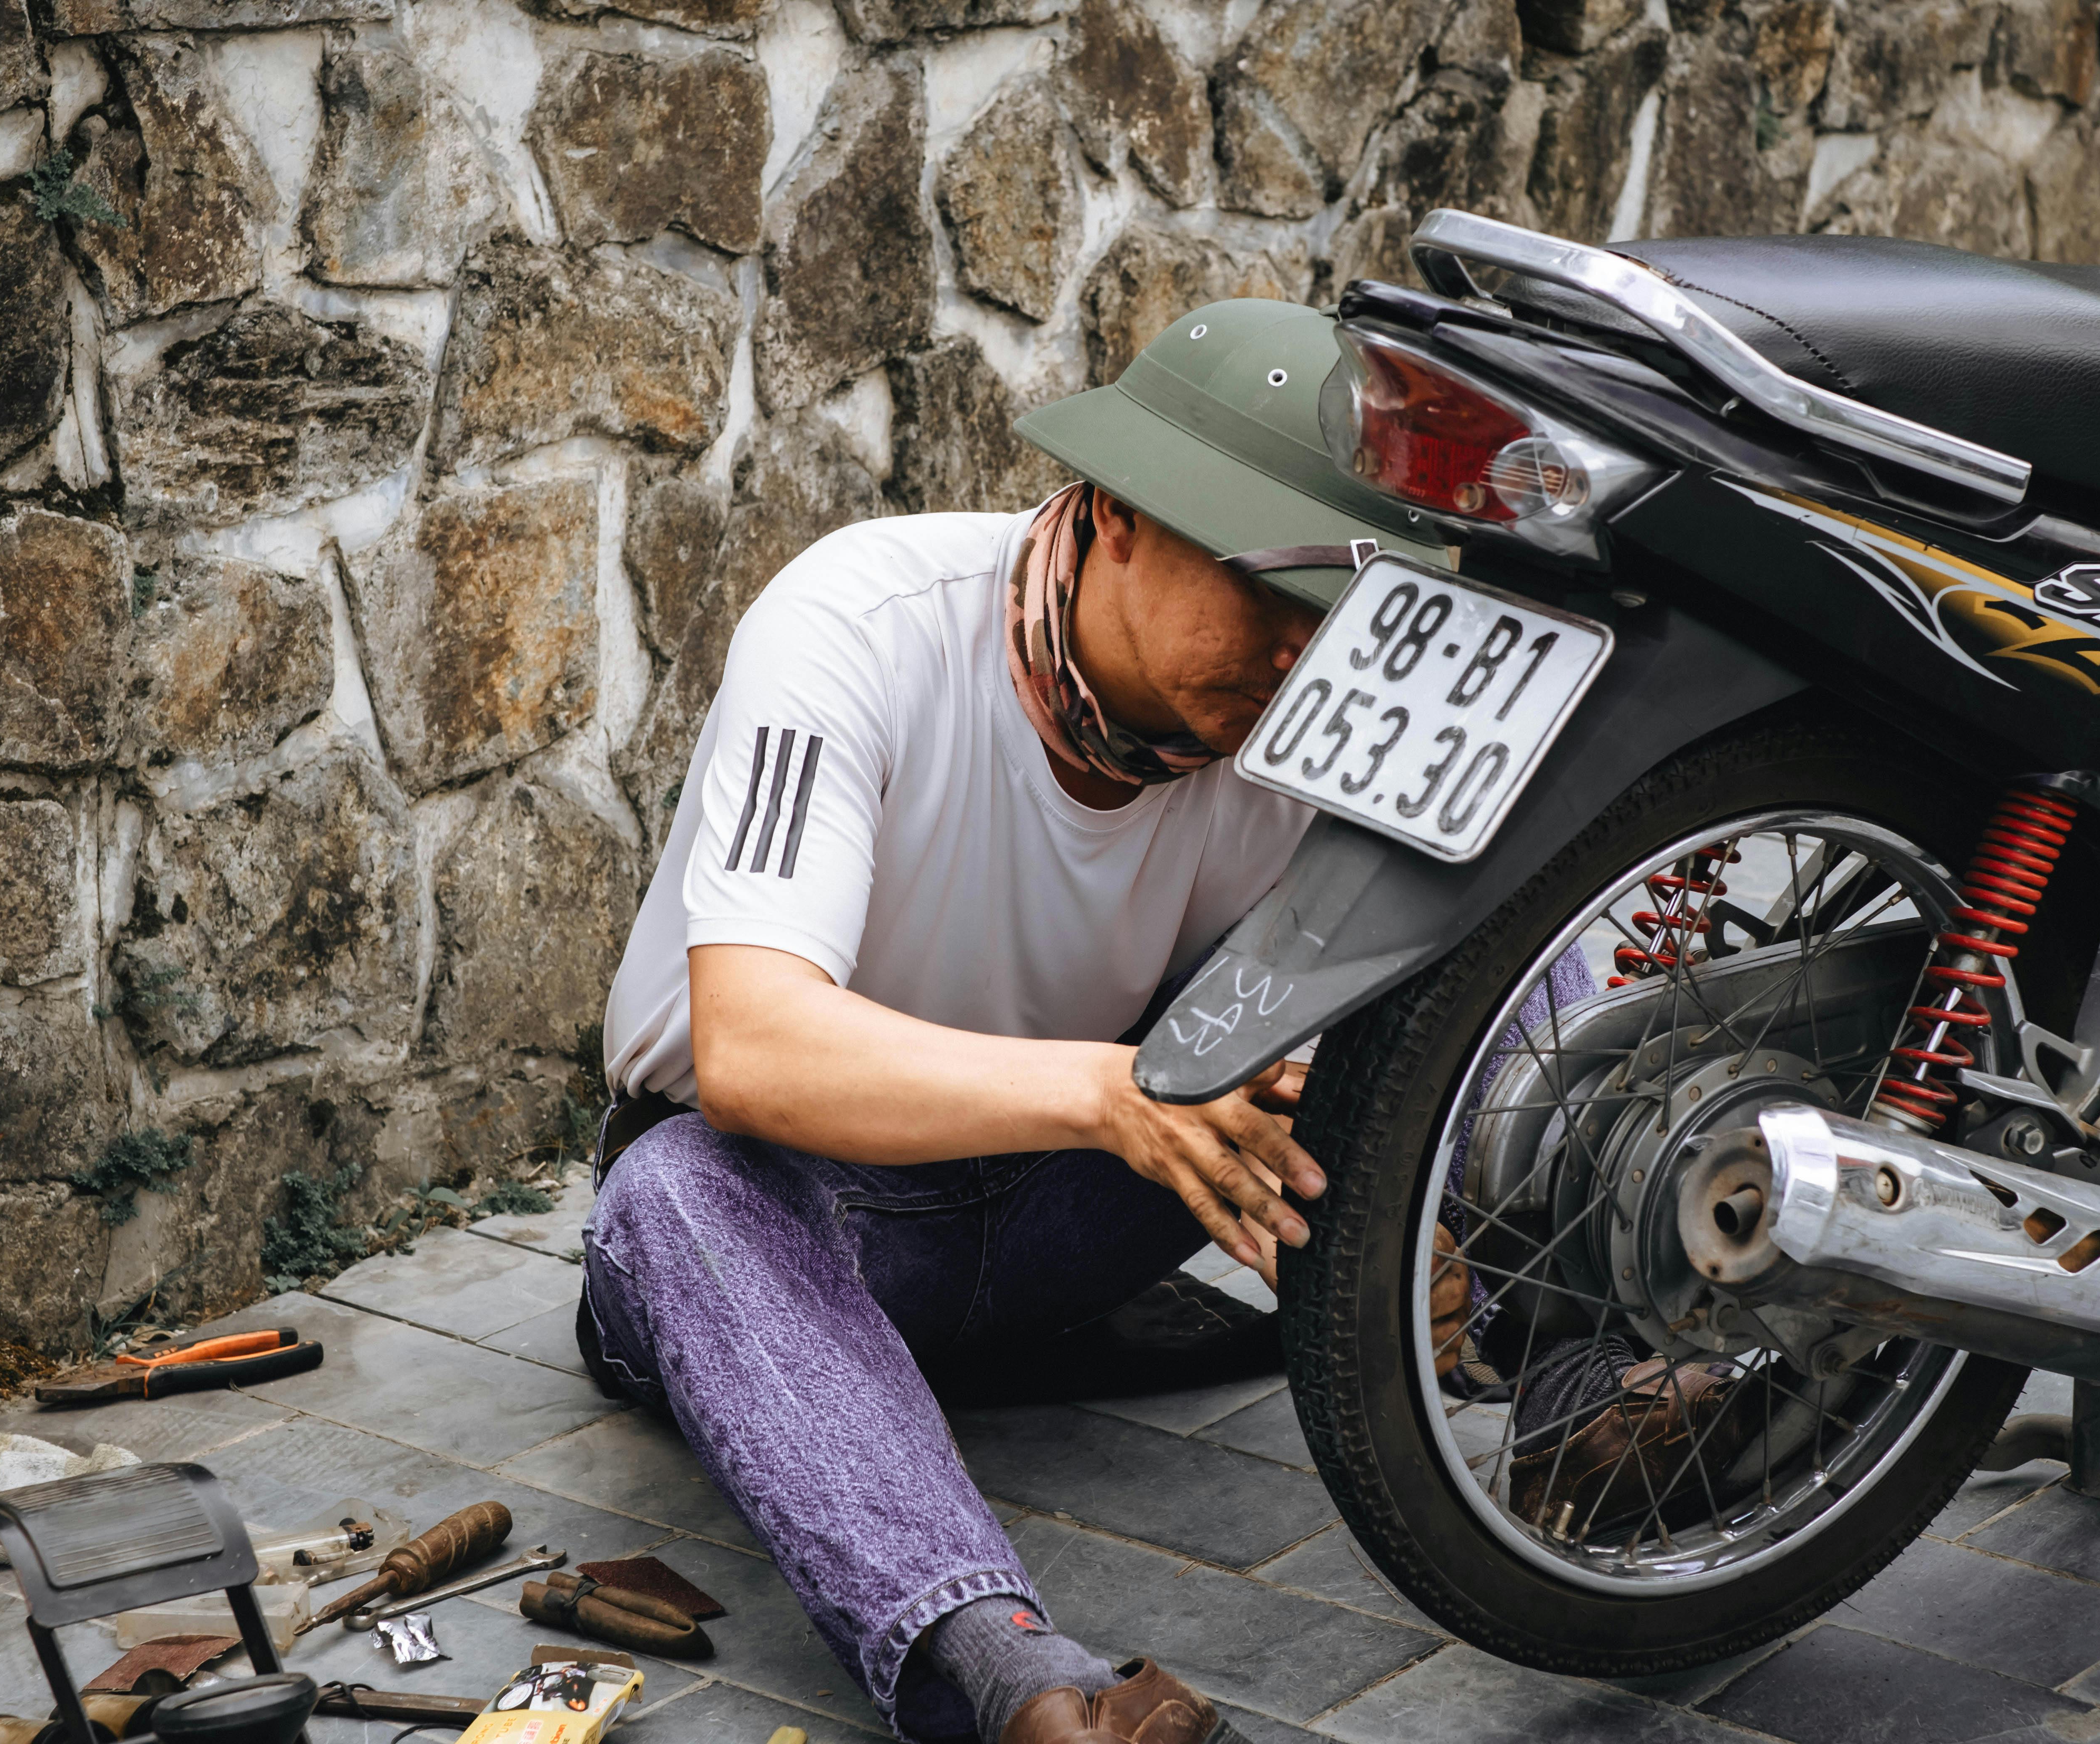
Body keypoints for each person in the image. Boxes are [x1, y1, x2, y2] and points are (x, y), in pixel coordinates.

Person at [581, 299, 1454, 1744]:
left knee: (1438, 898)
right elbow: (749, 1046)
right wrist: (1113, 1094)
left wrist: (1432, 1217)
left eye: (1337, 615)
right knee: (680, 1194)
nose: (1305, 656)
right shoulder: (859, 625)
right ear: (1116, 512)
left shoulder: (1287, 721)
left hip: (1072, 1223)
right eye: (1269, 596)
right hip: (792, 1224)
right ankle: (1020, 1692)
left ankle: (1599, 1406)